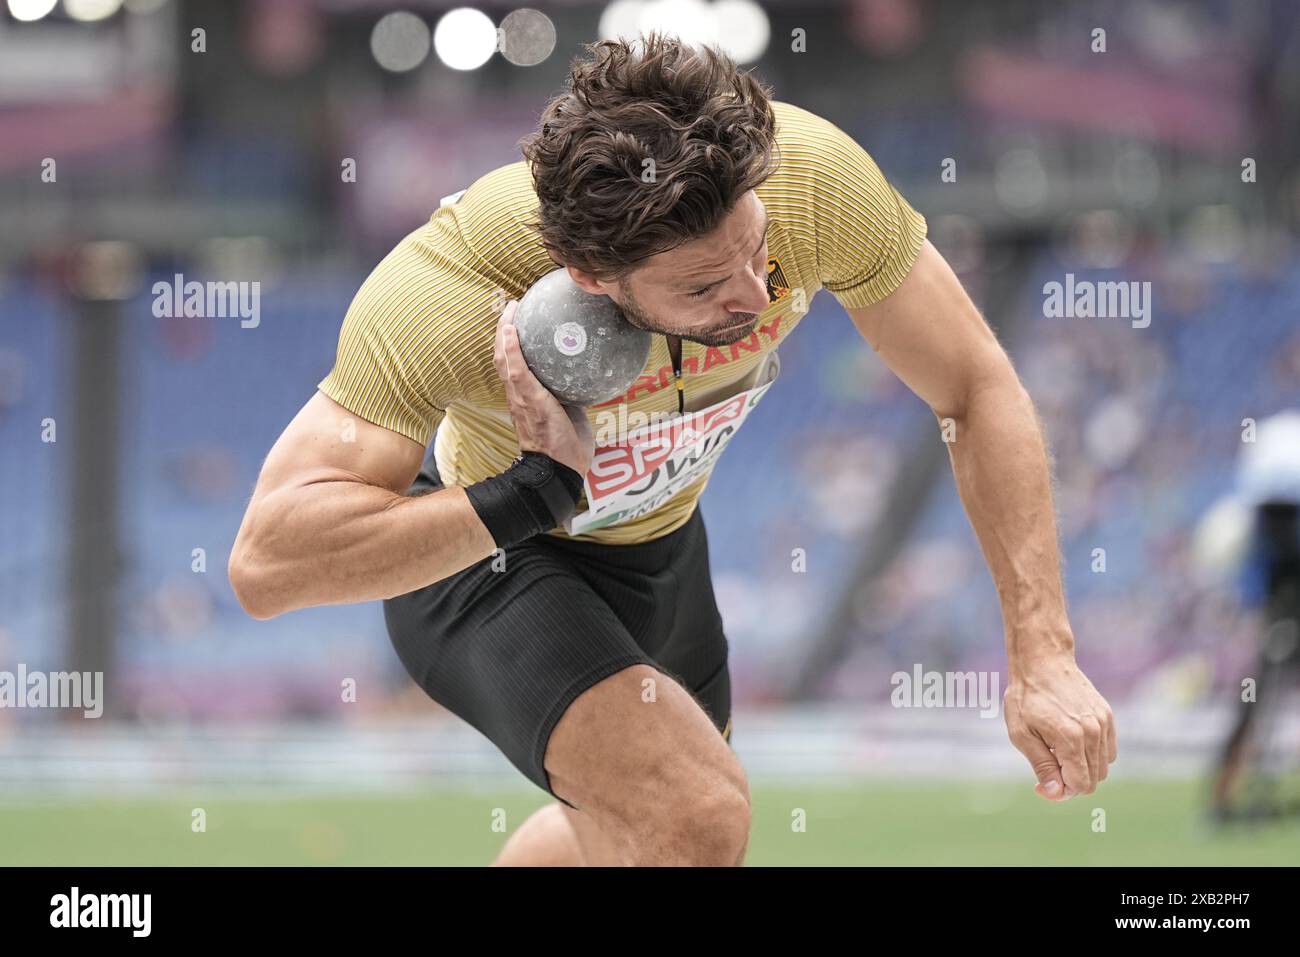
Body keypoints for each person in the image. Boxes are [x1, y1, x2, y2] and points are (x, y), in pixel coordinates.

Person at [229, 33, 1116, 866]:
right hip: (491, 558)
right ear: (588, 275)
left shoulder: (809, 182)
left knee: (637, 837)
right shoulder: (452, 289)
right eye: (701, 285)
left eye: (756, 249)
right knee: (697, 814)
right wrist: (535, 491)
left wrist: (1043, 653)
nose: (756, 295)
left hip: (660, 553)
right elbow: (268, 561)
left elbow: (974, 385)